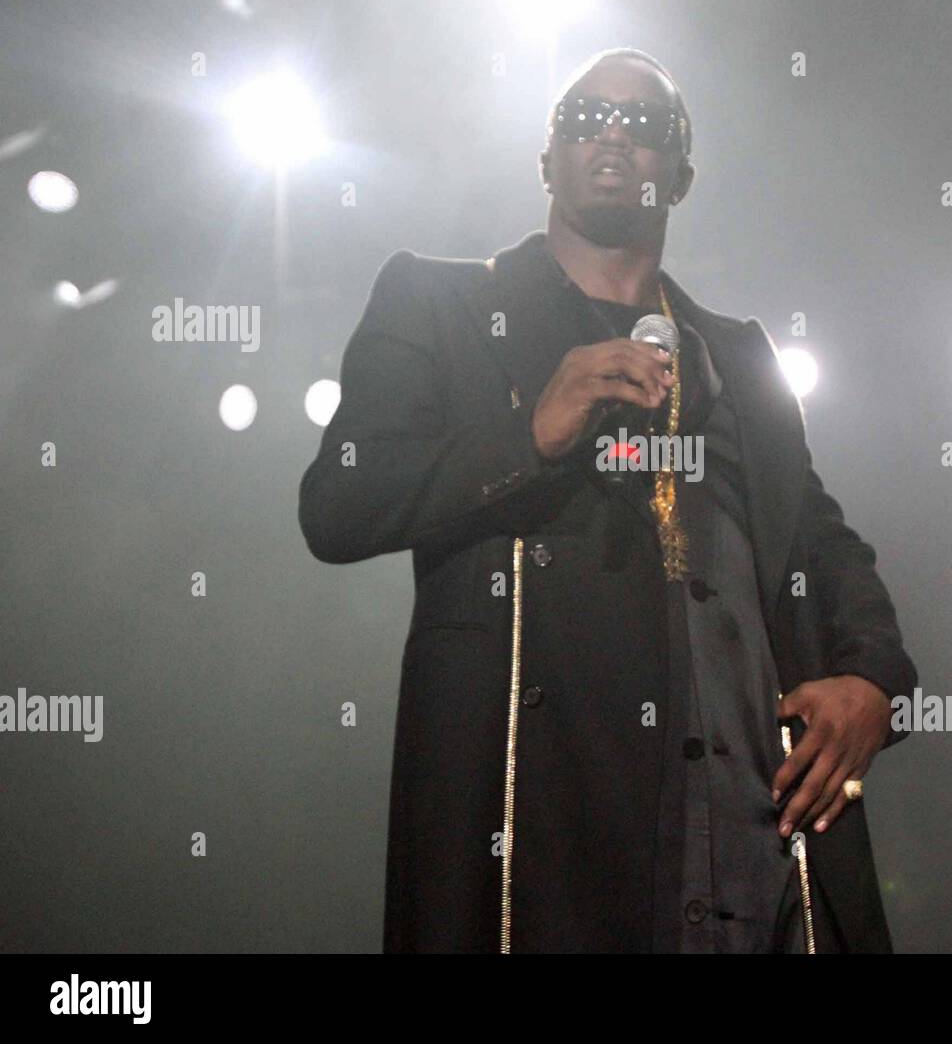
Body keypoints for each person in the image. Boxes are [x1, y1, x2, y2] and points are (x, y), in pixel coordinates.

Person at [298, 47, 919, 953]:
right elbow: (339, 504)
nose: (616, 136)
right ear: (546, 159)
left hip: (758, 820)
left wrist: (873, 679)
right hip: (553, 827)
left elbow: (820, 542)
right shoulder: (443, 302)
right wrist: (530, 435)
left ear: (683, 173)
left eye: (647, 126)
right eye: (587, 119)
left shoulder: (738, 352)